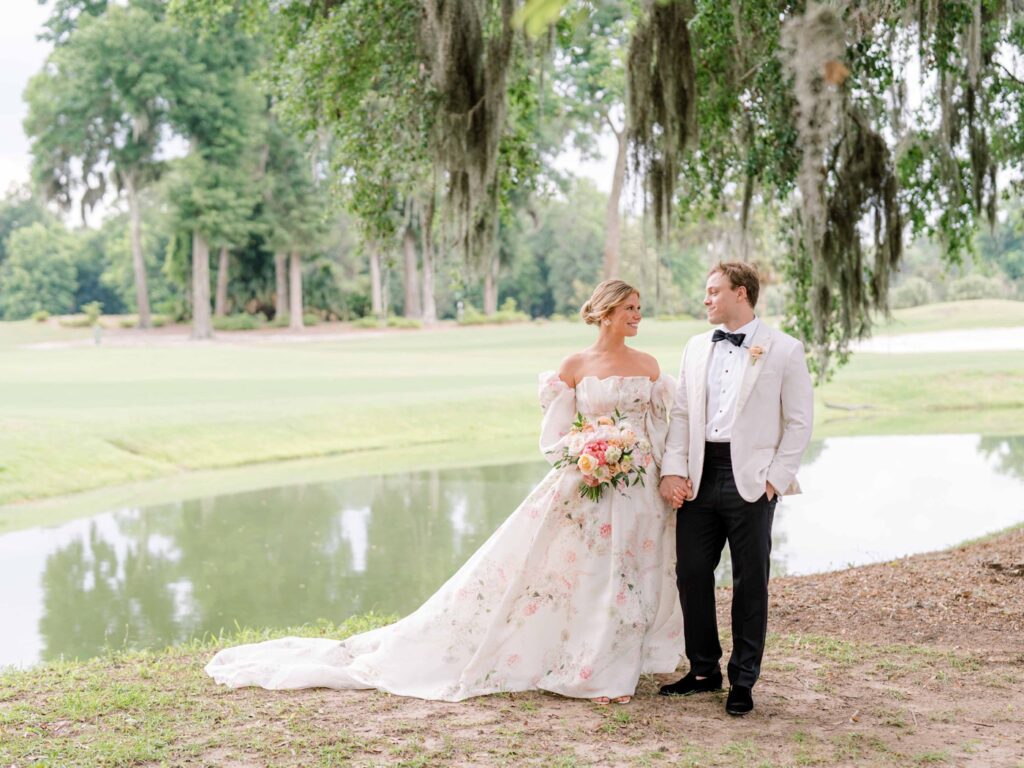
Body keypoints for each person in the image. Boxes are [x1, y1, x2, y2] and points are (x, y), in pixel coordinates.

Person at [206, 279, 684, 703]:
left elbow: (661, 425)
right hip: (587, 483)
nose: (638, 316)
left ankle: (617, 661)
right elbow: (556, 433)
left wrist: (663, 470)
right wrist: (587, 451)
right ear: (606, 312)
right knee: (586, 573)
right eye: (631, 308)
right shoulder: (575, 364)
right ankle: (592, 670)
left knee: (631, 571)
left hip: (639, 485)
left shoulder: (649, 365)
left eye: (639, 308)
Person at [657, 261, 813, 716]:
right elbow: (682, 414)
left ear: (740, 293)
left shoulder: (783, 349)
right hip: (700, 477)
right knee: (690, 574)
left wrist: (774, 480)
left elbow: (799, 422)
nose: (705, 299)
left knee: (750, 585)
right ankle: (704, 670)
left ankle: (743, 680)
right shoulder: (694, 347)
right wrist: (673, 469)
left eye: (713, 291)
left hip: (752, 483)